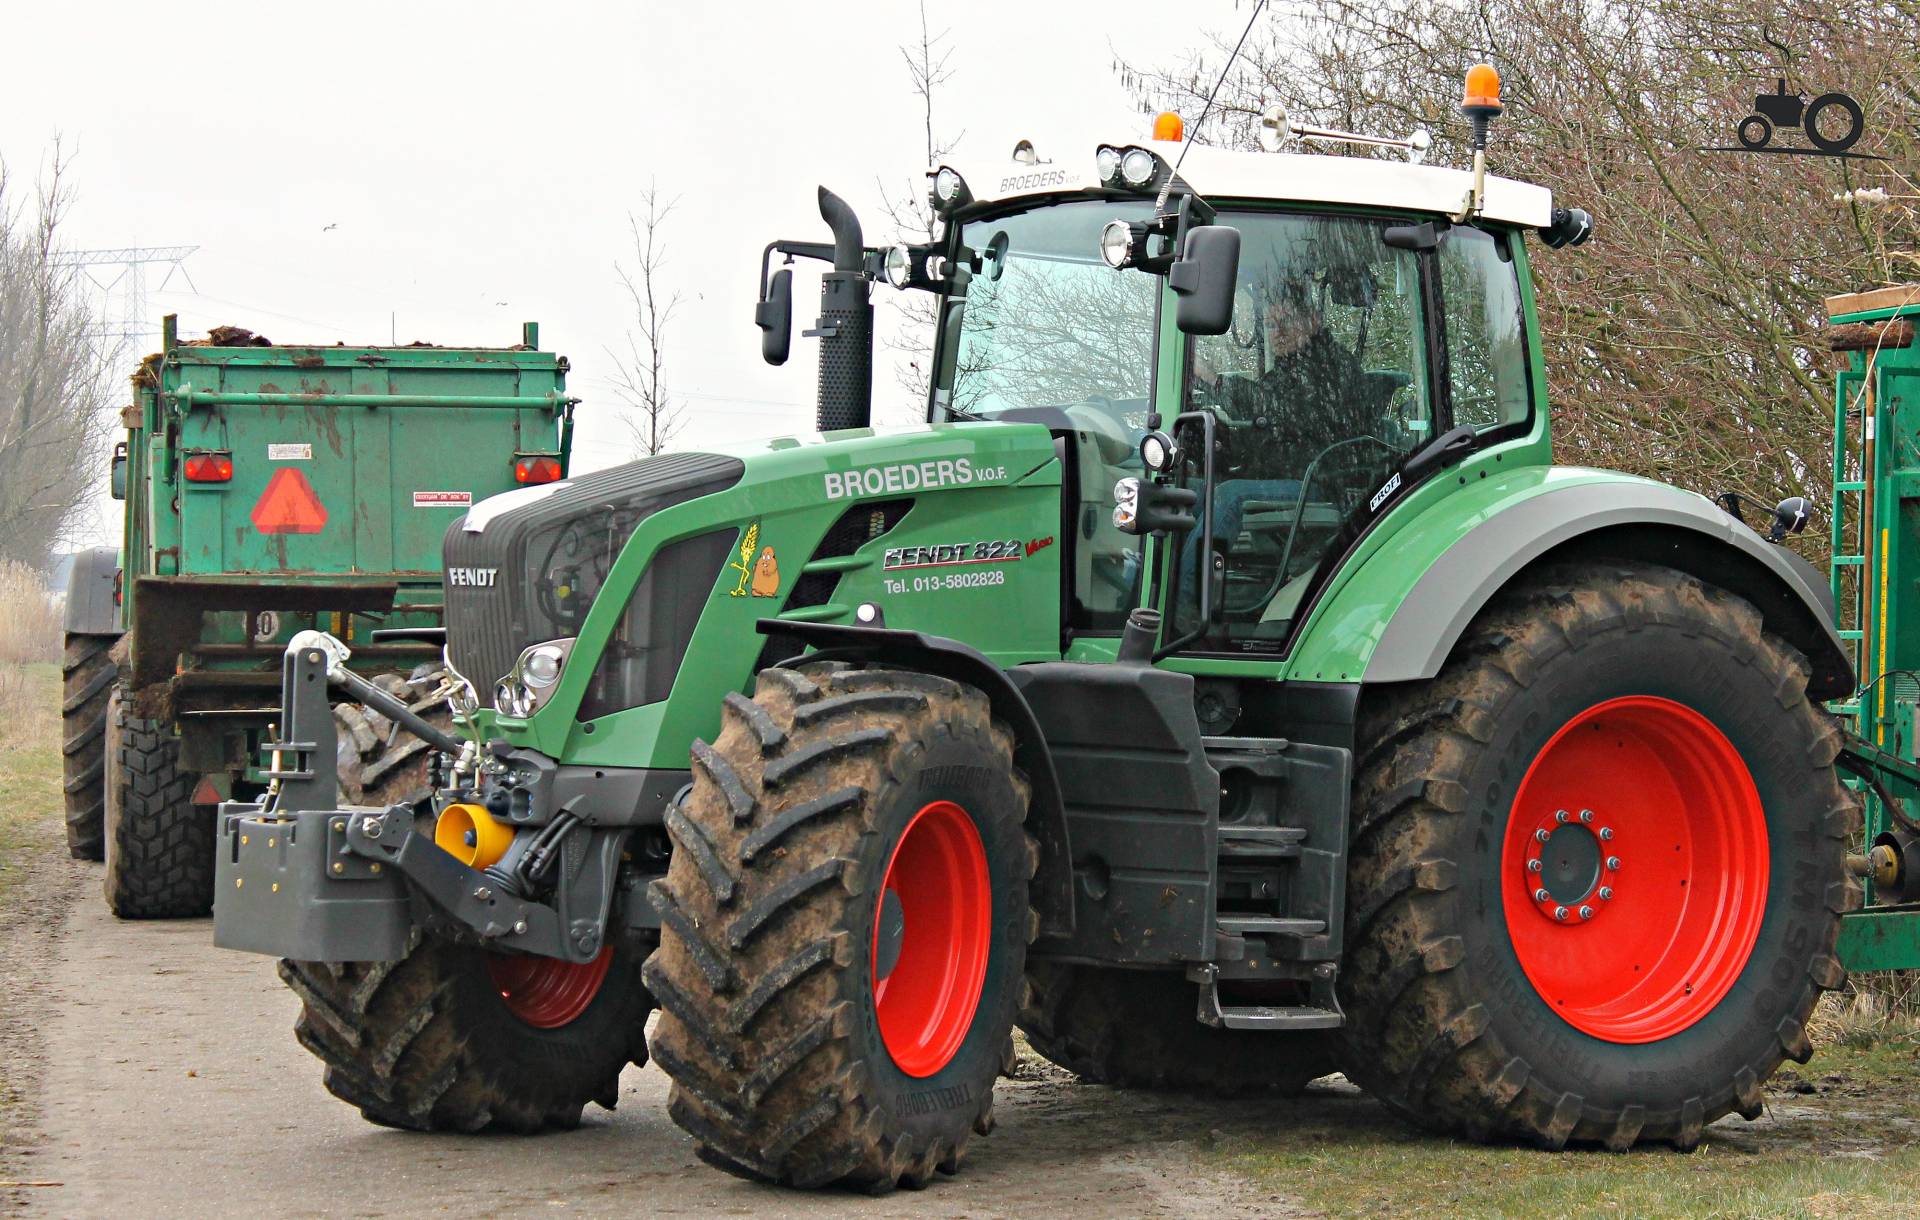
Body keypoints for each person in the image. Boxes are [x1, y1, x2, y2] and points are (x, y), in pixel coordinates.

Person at [1181, 282, 1368, 614]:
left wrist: (1217, 382)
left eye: (1286, 322)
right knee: (1183, 491)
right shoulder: (1284, 372)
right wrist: (1218, 440)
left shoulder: (1332, 368)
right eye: (1270, 324)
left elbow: (1281, 412)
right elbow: (1266, 433)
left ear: (1312, 319)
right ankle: (1148, 584)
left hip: (1320, 481)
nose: (1277, 332)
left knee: (1230, 495)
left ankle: (1183, 603)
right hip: (1283, 475)